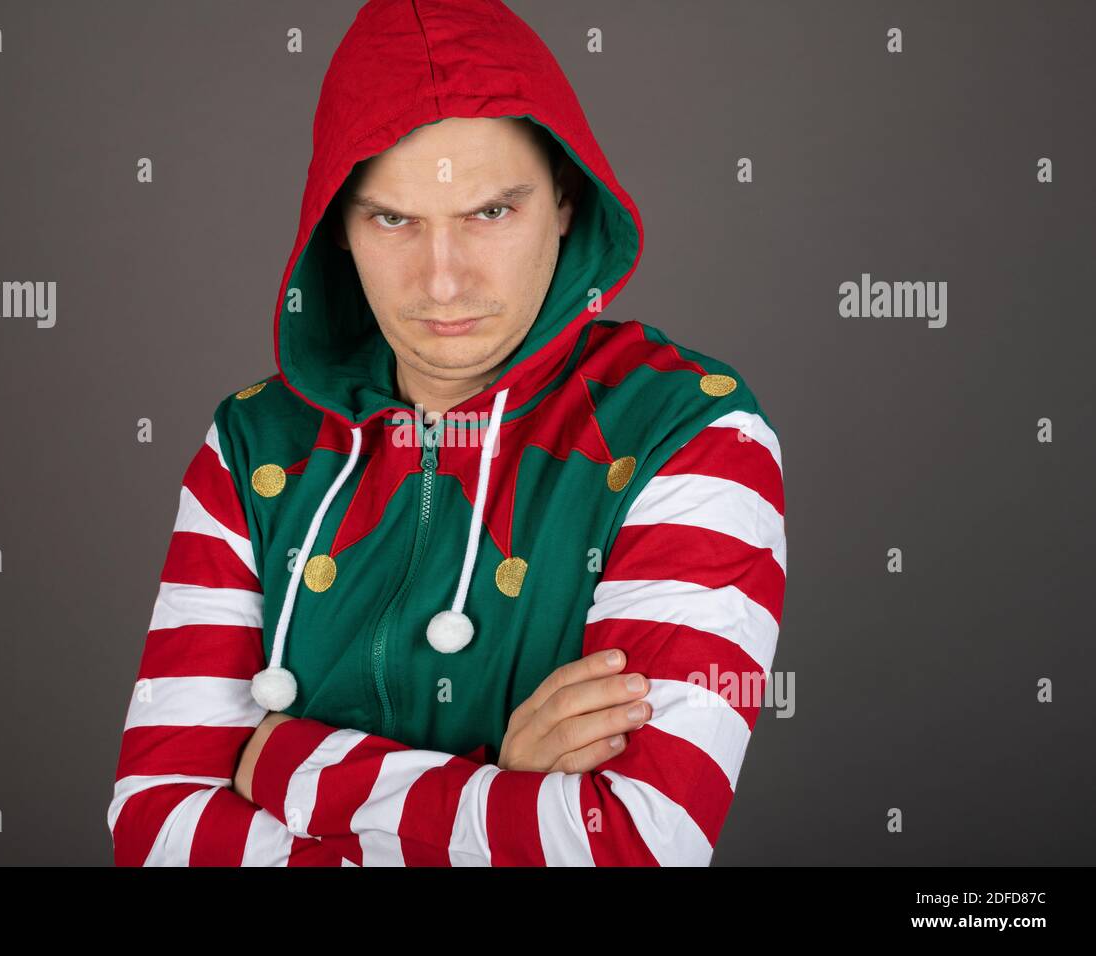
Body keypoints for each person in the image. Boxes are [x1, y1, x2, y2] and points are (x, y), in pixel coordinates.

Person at [107, 0, 787, 867]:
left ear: (567, 199)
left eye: (491, 214)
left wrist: (283, 761)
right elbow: (156, 831)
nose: (443, 281)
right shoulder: (252, 445)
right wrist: (499, 794)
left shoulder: (692, 432)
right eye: (393, 219)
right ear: (337, 231)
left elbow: (631, 846)